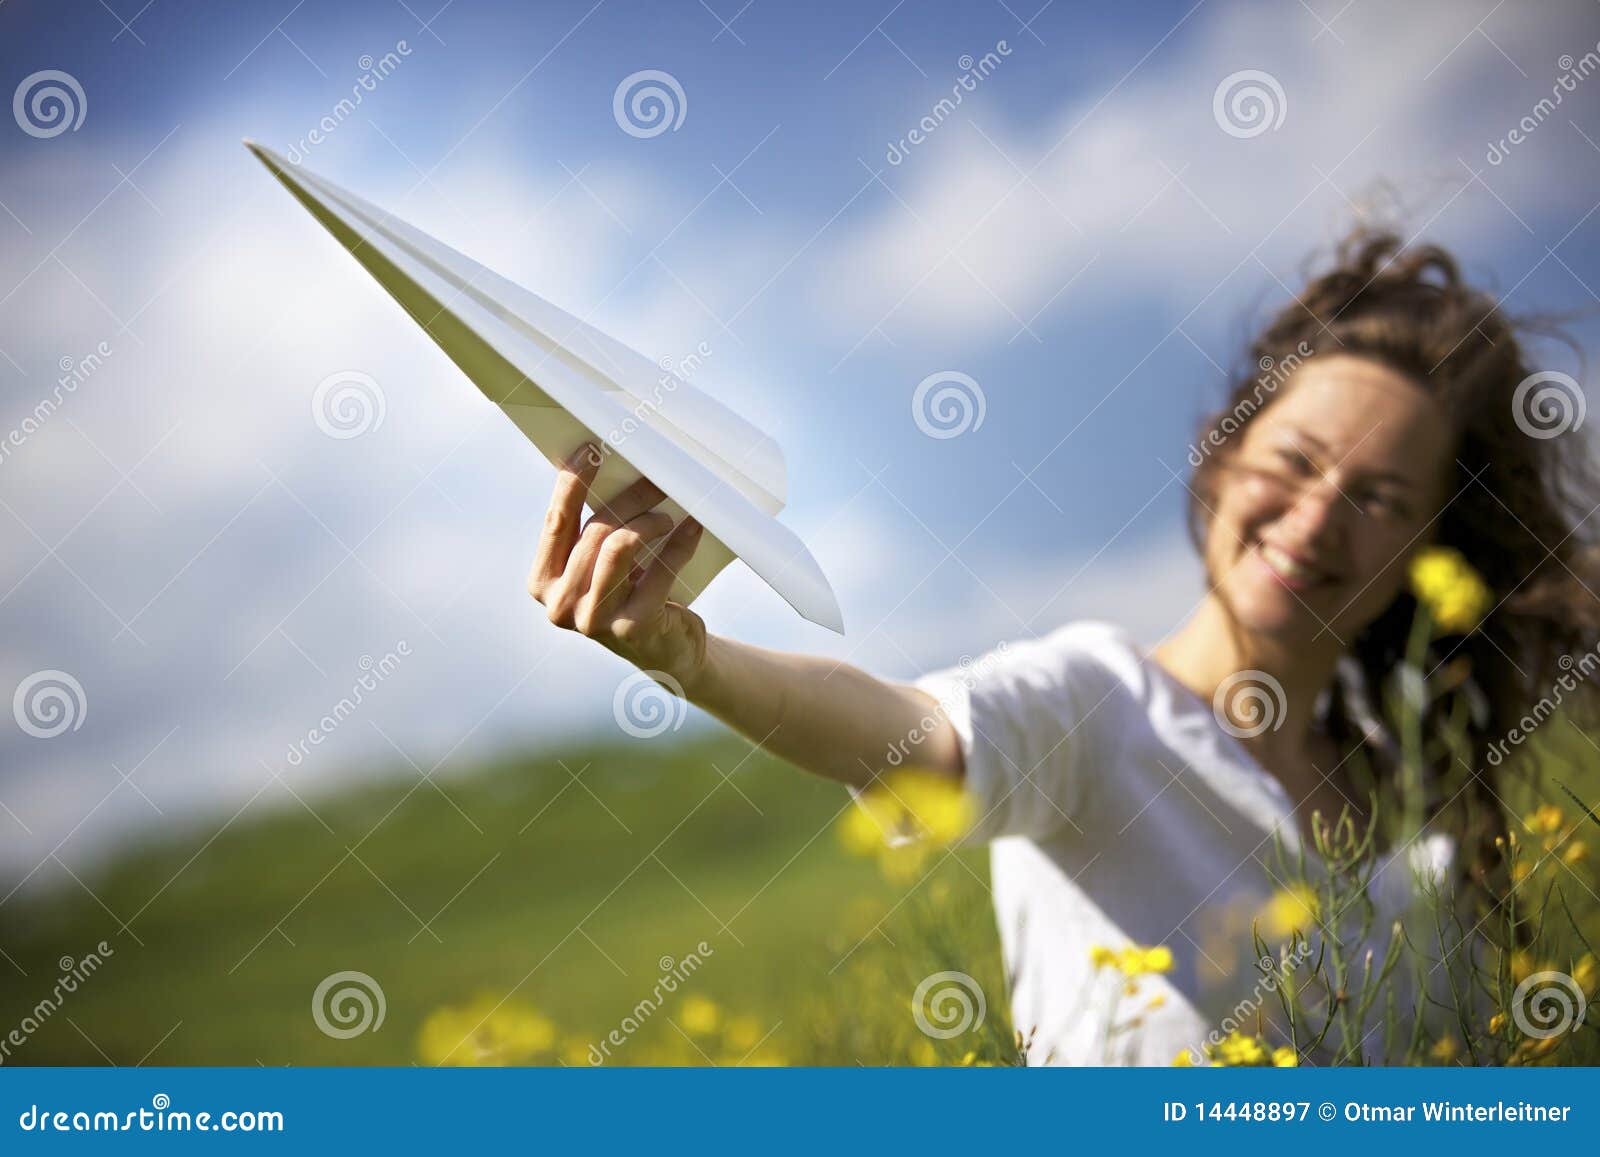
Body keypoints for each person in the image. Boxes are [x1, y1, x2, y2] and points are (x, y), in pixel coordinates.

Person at [526, 228, 1599, 1064]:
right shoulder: (1099, 702)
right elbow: (909, 733)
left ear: (1427, 548)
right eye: (1296, 460)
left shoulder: (1428, 796)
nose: (1316, 521)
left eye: (1377, 497)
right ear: (1223, 457)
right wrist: (695, 660)